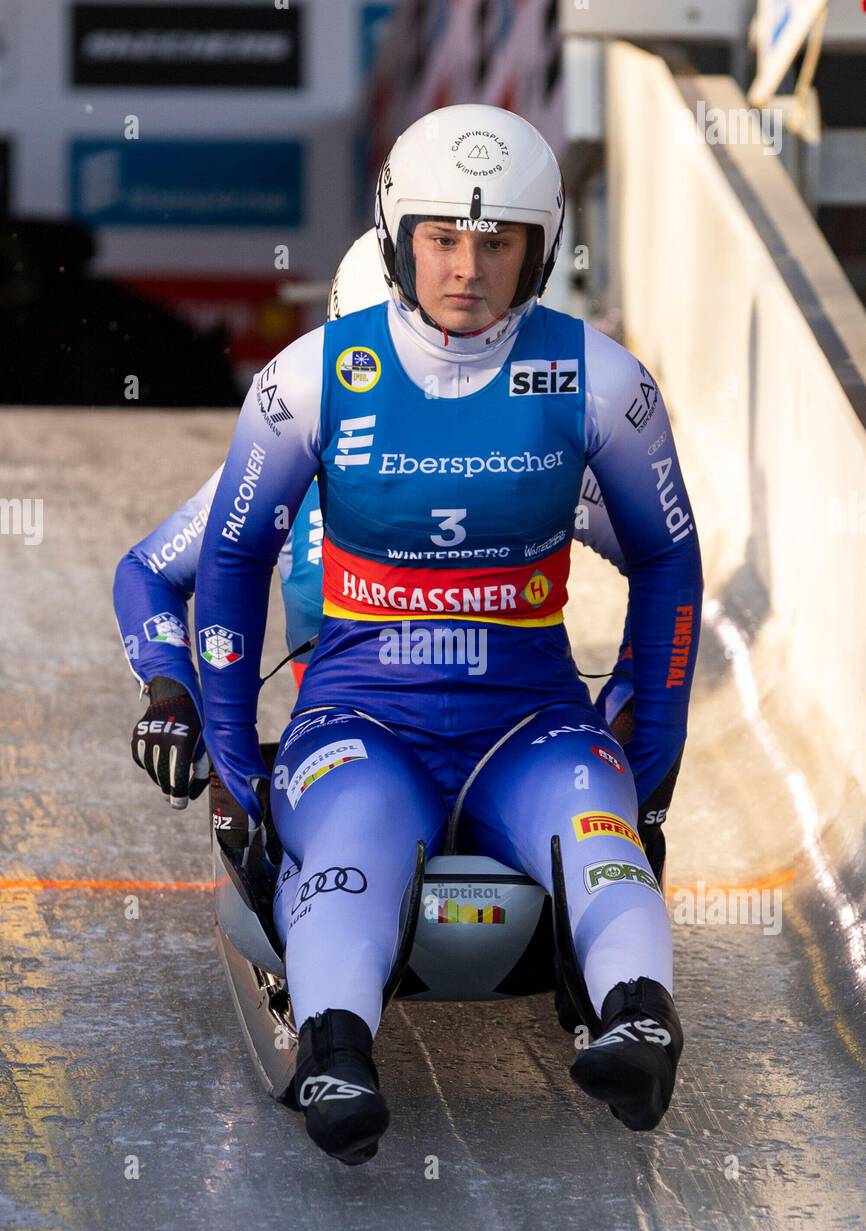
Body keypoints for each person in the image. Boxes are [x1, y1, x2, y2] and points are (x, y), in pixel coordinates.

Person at [126, 105, 702, 1164]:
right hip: (361, 718)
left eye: (497, 243)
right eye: (442, 239)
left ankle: (641, 1018)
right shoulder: (305, 382)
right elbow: (227, 560)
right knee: (355, 839)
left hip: (528, 718)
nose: (467, 270)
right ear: (399, 238)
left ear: (539, 250)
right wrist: (225, 747)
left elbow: (667, 558)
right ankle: (337, 1051)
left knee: (598, 823)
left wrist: (648, 743)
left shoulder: (602, 383)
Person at [114, 229, 636, 803]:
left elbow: (662, 564)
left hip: (506, 737)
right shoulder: (280, 466)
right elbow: (149, 570)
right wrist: (172, 690)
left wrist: (630, 698)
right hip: (353, 747)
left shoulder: (530, 461)